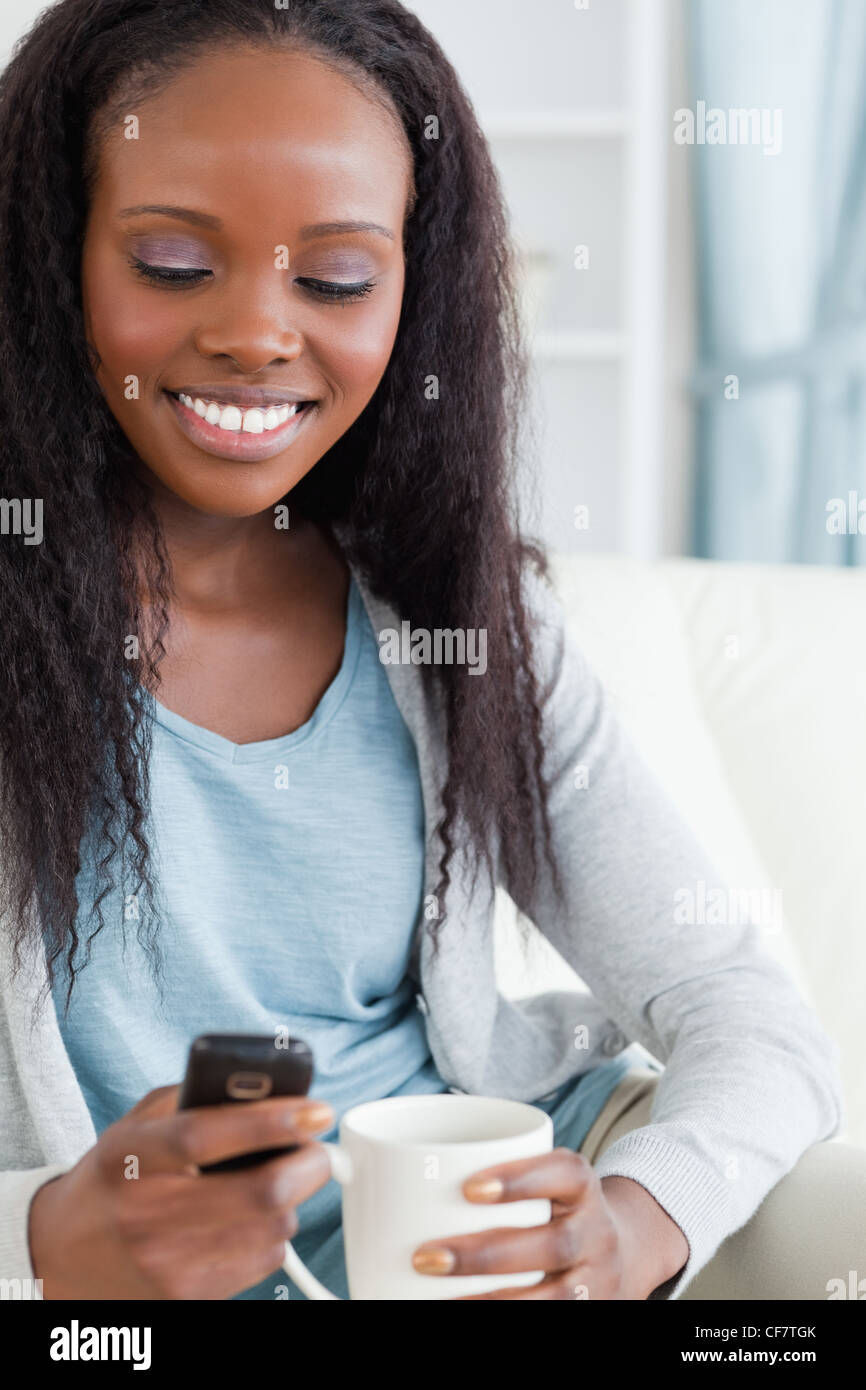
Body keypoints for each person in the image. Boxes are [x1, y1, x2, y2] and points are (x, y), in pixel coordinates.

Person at [0, 0, 855, 1303]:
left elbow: (745, 1014)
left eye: (335, 277)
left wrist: (633, 1225)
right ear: (50, 254)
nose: (255, 332)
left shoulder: (467, 623)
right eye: (172, 260)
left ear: (415, 285)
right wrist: (42, 1239)